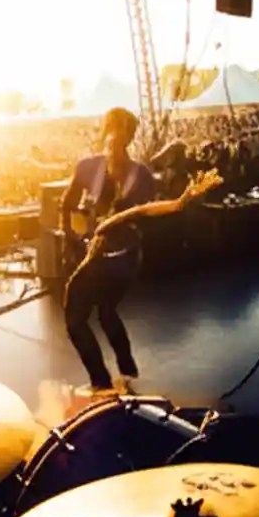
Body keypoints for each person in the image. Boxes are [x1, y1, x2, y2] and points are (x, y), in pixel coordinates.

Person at [59, 107, 216, 396]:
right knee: (104, 311)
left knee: (77, 316)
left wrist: (178, 203)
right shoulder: (88, 168)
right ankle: (125, 366)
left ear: (127, 137)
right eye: (113, 131)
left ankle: (101, 383)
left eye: (122, 132)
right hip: (104, 255)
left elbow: (139, 212)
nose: (116, 138)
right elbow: (66, 204)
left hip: (120, 257)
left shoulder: (140, 175)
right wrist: (70, 236)